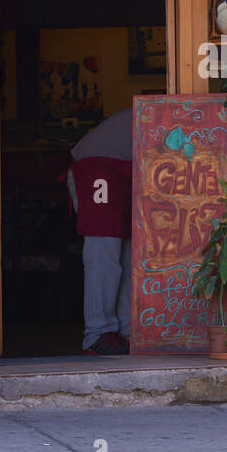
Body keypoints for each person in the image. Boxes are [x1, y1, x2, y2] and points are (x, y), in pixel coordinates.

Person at [67, 108, 133, 355]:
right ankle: (97, 334)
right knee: (103, 254)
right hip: (96, 166)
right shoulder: (173, 115)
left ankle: (128, 331)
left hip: (125, 169)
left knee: (131, 255)